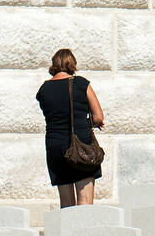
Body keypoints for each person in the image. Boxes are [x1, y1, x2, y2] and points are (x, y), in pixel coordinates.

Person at [35, 48, 105, 207]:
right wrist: (92, 123)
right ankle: (82, 232)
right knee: (85, 202)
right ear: (72, 63)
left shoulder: (44, 89)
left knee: (66, 204)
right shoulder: (81, 83)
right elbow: (98, 117)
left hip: (55, 147)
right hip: (81, 144)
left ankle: (66, 232)